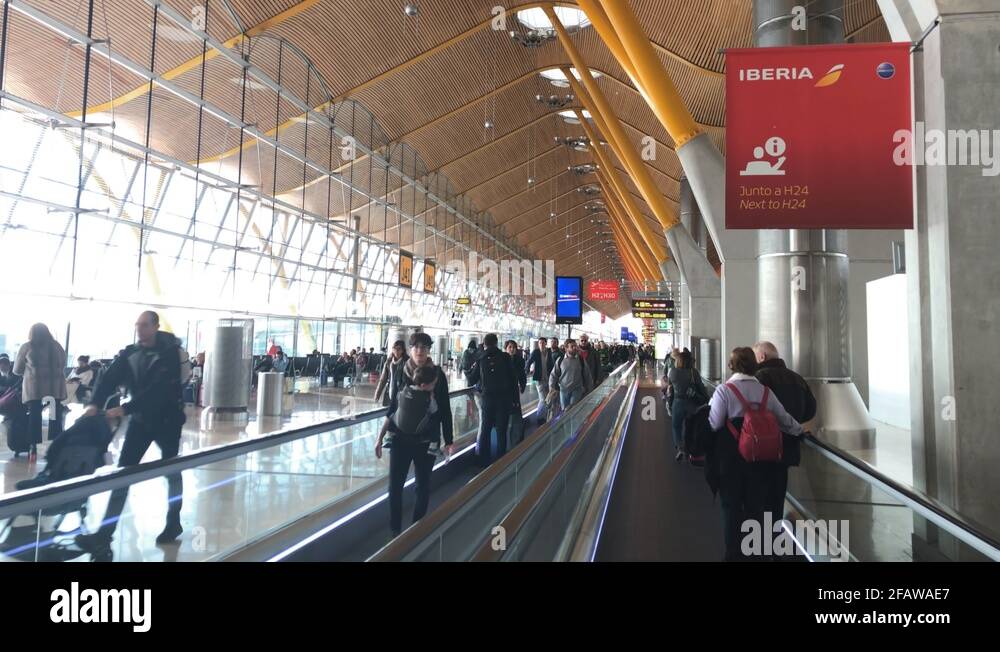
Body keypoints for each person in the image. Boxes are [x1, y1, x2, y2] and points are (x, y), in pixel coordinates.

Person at [75, 311, 192, 556]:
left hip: (167, 421)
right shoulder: (132, 353)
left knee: (171, 471)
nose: (140, 329)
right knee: (124, 474)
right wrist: (94, 403)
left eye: (145, 325)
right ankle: (104, 536)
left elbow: (160, 392)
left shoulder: (170, 353)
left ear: (156, 326)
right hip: (141, 421)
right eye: (137, 325)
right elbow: (108, 379)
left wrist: (125, 408)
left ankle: (173, 522)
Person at [707, 347, 804, 561]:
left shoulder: (724, 391)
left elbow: (713, 424)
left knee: (731, 507)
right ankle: (756, 553)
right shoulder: (765, 393)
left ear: (731, 365)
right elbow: (787, 421)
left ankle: (733, 553)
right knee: (756, 506)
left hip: (731, 461)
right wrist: (801, 432)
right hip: (760, 461)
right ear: (754, 365)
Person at [375, 333, 455, 537]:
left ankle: (416, 532)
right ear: (411, 350)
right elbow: (394, 404)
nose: (420, 350)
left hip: (427, 441)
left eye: (424, 347)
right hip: (400, 438)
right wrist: (380, 437)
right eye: (416, 347)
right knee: (395, 488)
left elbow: (445, 408)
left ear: (429, 350)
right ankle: (395, 532)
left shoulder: (437, 375)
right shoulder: (401, 370)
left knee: (423, 486)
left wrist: (449, 440)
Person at [753, 341, 817, 528]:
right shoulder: (797, 378)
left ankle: (759, 544)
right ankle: (774, 541)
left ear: (762, 357)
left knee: (759, 498)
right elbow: (810, 411)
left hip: (762, 447)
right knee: (777, 498)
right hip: (787, 449)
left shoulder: (759, 377)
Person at [466, 333, 519, 466]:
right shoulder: (505, 357)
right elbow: (513, 379)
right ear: (496, 343)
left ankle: (485, 461)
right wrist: (514, 399)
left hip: (487, 400)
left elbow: (471, 380)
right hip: (504, 399)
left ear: (484, 344)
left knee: (485, 429)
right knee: (501, 430)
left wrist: (467, 371)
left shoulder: (481, 358)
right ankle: (501, 461)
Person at [13, 323, 67, 451]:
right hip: (54, 390)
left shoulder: (27, 347)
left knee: (35, 416)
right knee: (54, 416)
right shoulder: (57, 346)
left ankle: (33, 447)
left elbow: (17, 370)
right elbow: (63, 363)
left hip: (35, 389)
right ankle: (56, 445)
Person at [666, 350, 708, 461]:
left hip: (677, 403)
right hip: (692, 403)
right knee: (691, 426)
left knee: (676, 426)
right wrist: (706, 397)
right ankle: (691, 449)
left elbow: (670, 388)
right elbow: (700, 386)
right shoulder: (693, 372)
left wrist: (669, 403)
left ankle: (680, 447)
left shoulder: (672, 372)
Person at [549, 338, 593, 411]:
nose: (575, 348)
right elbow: (553, 375)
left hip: (577, 389)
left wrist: (590, 388)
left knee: (573, 410)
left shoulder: (581, 360)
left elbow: (587, 374)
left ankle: (574, 422)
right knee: (564, 411)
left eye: (575, 346)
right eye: (572, 346)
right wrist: (551, 387)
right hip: (563, 390)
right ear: (566, 348)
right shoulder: (560, 360)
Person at [524, 337, 552, 424]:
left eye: (543, 343)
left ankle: (546, 415)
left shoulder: (549, 352)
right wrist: (526, 370)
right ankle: (539, 417)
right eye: (540, 343)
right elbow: (529, 361)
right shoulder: (536, 352)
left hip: (549, 379)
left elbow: (552, 364)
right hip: (539, 379)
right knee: (543, 399)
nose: (541, 344)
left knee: (549, 398)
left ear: (546, 343)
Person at [374, 339, 408, 406]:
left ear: (403, 350)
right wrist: (377, 394)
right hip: (389, 391)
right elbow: (383, 379)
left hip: (402, 393)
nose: (396, 351)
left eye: (399, 349)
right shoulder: (389, 362)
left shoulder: (407, 362)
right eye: (394, 348)